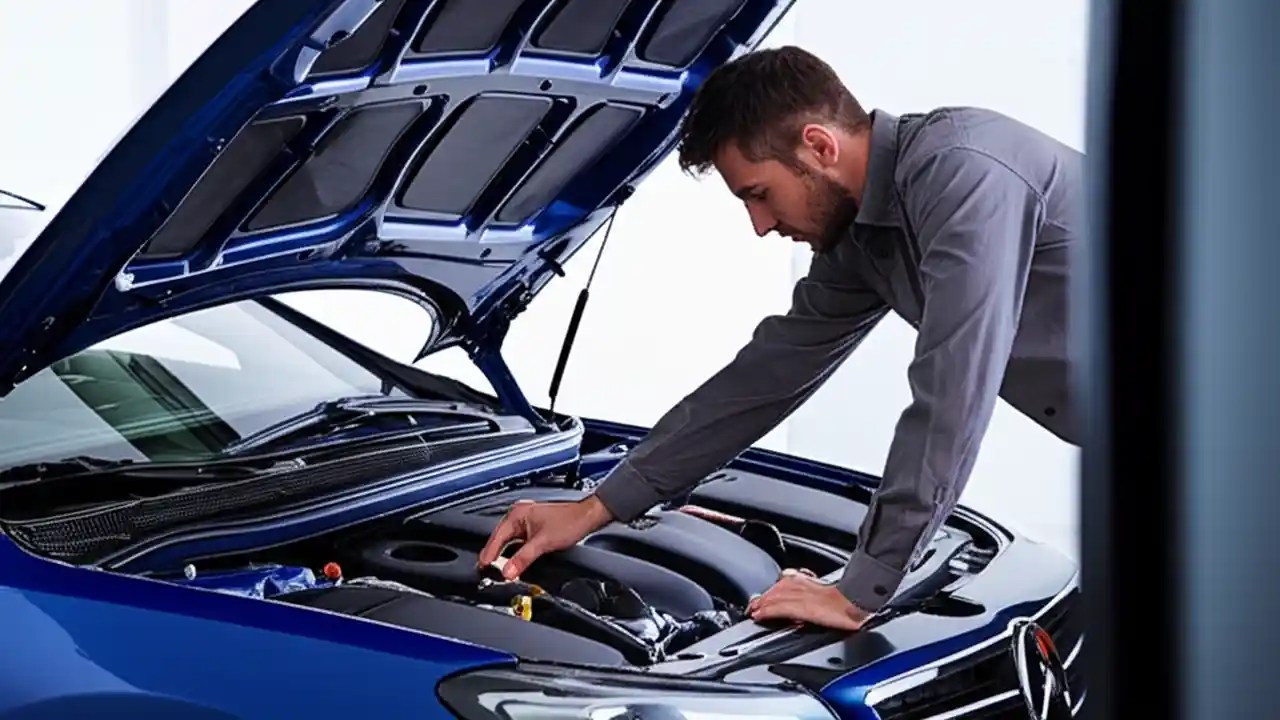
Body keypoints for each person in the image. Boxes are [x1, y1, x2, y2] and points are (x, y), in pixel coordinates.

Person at [477, 45, 1085, 631]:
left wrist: (860, 590)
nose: (761, 225)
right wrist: (593, 509)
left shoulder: (964, 176)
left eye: (759, 195)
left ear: (818, 146)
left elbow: (953, 391)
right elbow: (765, 378)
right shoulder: (862, 239)